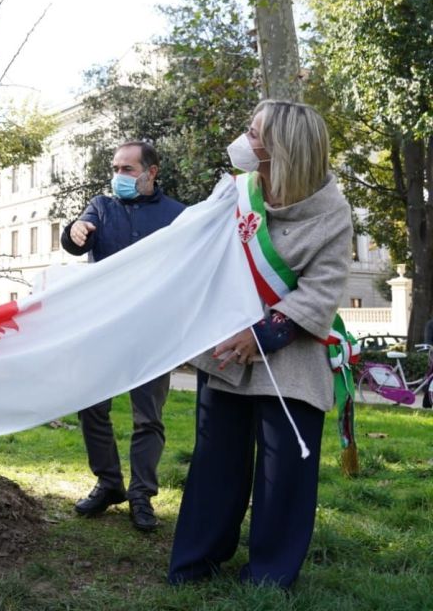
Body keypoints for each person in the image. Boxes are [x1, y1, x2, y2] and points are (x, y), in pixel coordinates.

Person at [169, 101, 352, 588]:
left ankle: (270, 576)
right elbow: (192, 247)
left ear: (283, 147)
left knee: (282, 472)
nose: (243, 141)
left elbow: (322, 289)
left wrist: (263, 334)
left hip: (292, 357)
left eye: (253, 134)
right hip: (225, 350)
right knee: (215, 463)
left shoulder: (333, 211)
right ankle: (195, 563)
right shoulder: (234, 192)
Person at [61, 141, 185, 532]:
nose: (119, 176)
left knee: (148, 417)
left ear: (152, 172)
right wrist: (75, 231)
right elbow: (74, 242)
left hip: (154, 332)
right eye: (115, 168)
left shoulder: (178, 216)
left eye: (127, 169)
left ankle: (141, 495)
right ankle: (109, 483)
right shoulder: (100, 207)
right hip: (104, 328)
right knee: (91, 407)